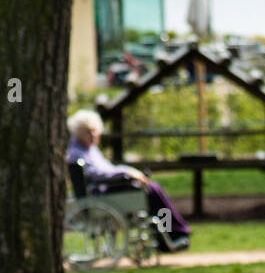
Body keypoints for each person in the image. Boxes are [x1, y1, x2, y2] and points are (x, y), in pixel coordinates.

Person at [66, 108, 191, 252]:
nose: (94, 135)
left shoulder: (89, 149)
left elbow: (108, 169)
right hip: (104, 193)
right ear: (79, 133)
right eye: (88, 131)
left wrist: (129, 172)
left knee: (154, 190)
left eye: (95, 130)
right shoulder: (78, 153)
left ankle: (170, 234)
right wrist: (128, 172)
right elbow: (99, 174)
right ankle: (174, 233)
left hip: (109, 188)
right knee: (153, 191)